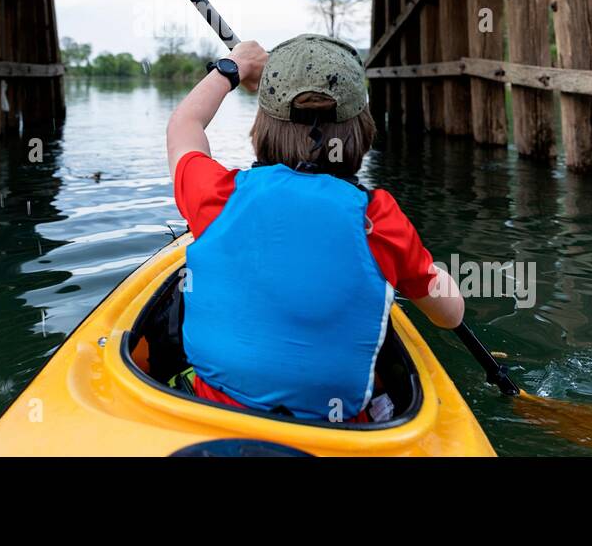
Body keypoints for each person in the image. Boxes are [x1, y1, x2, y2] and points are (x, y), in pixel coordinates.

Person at [165, 33, 464, 423]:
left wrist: (233, 67)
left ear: (261, 130)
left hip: (213, 413)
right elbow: (450, 315)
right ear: (363, 129)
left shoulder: (218, 197)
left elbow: (183, 125)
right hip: (336, 430)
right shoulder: (380, 220)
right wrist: (429, 271)